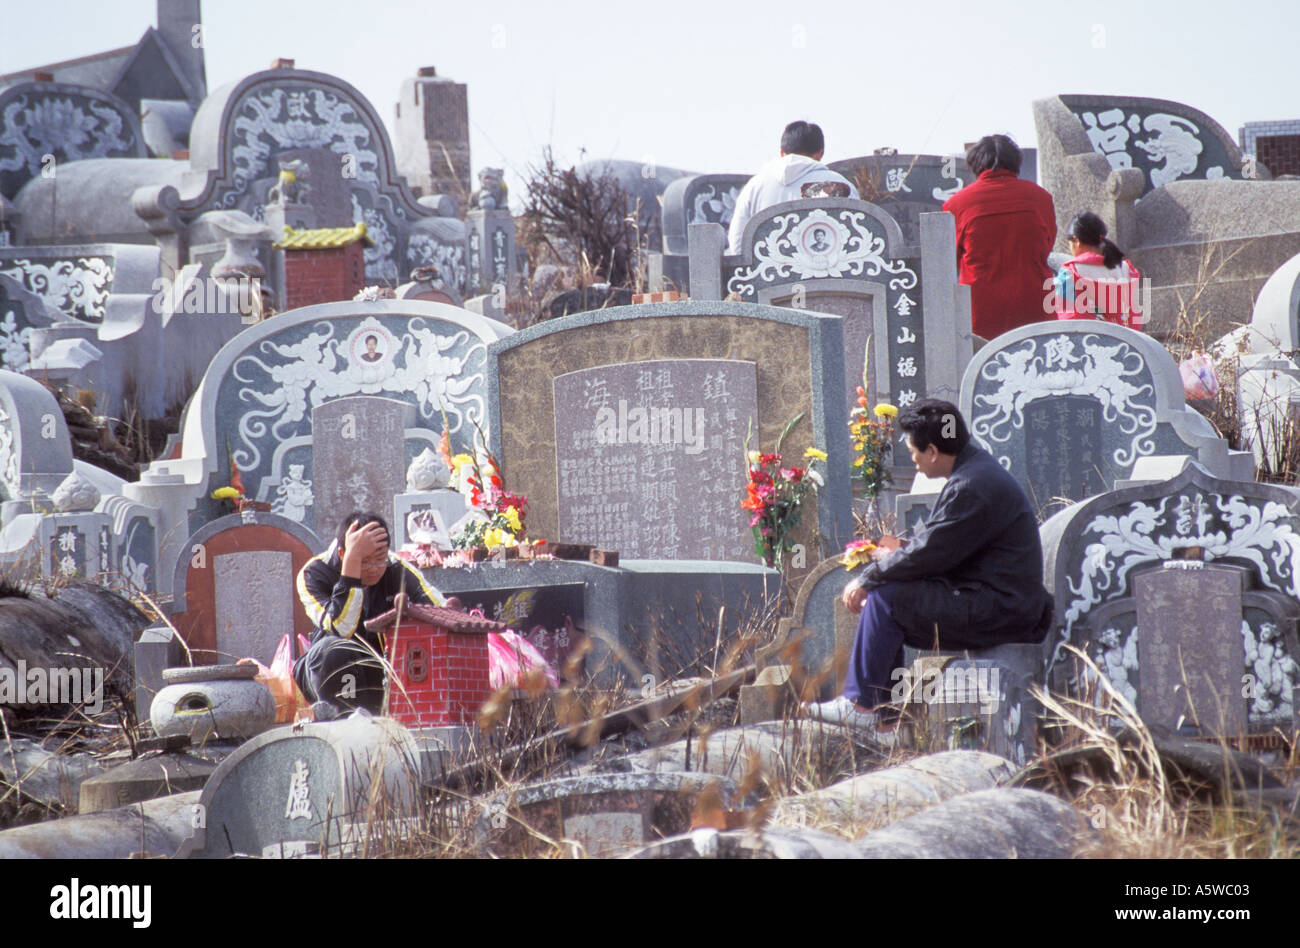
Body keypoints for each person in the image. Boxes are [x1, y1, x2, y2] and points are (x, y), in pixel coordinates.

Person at [806, 399, 1053, 735]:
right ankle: (885, 721)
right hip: (997, 599)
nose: (914, 461)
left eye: (914, 452)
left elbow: (931, 553)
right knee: (890, 599)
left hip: (1000, 608)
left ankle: (861, 706)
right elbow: (942, 548)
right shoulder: (977, 472)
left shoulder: (972, 484)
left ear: (933, 451)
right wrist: (896, 556)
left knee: (887, 598)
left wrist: (869, 576)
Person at [295, 512, 448, 716]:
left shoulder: (395, 568)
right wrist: (352, 565)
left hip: (380, 669)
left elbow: (440, 610)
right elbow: (342, 627)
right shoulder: (314, 573)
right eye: (365, 562)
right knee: (335, 649)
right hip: (329, 669)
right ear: (342, 553)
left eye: (380, 560)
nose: (374, 569)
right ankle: (343, 717)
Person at [942, 134, 1056, 341]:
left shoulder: (957, 204)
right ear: (1015, 162)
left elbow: (950, 260)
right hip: (1034, 305)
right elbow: (1047, 244)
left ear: (975, 164)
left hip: (981, 311)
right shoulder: (1041, 197)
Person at [726, 120, 859, 254]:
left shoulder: (754, 187)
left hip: (766, 273)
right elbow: (856, 239)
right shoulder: (840, 184)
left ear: (782, 153)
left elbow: (737, 245)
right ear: (820, 153)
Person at [1051, 211, 1145, 330]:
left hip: (1088, 338)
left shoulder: (1072, 271)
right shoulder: (1124, 268)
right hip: (1126, 337)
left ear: (1076, 241)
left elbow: (1065, 314)